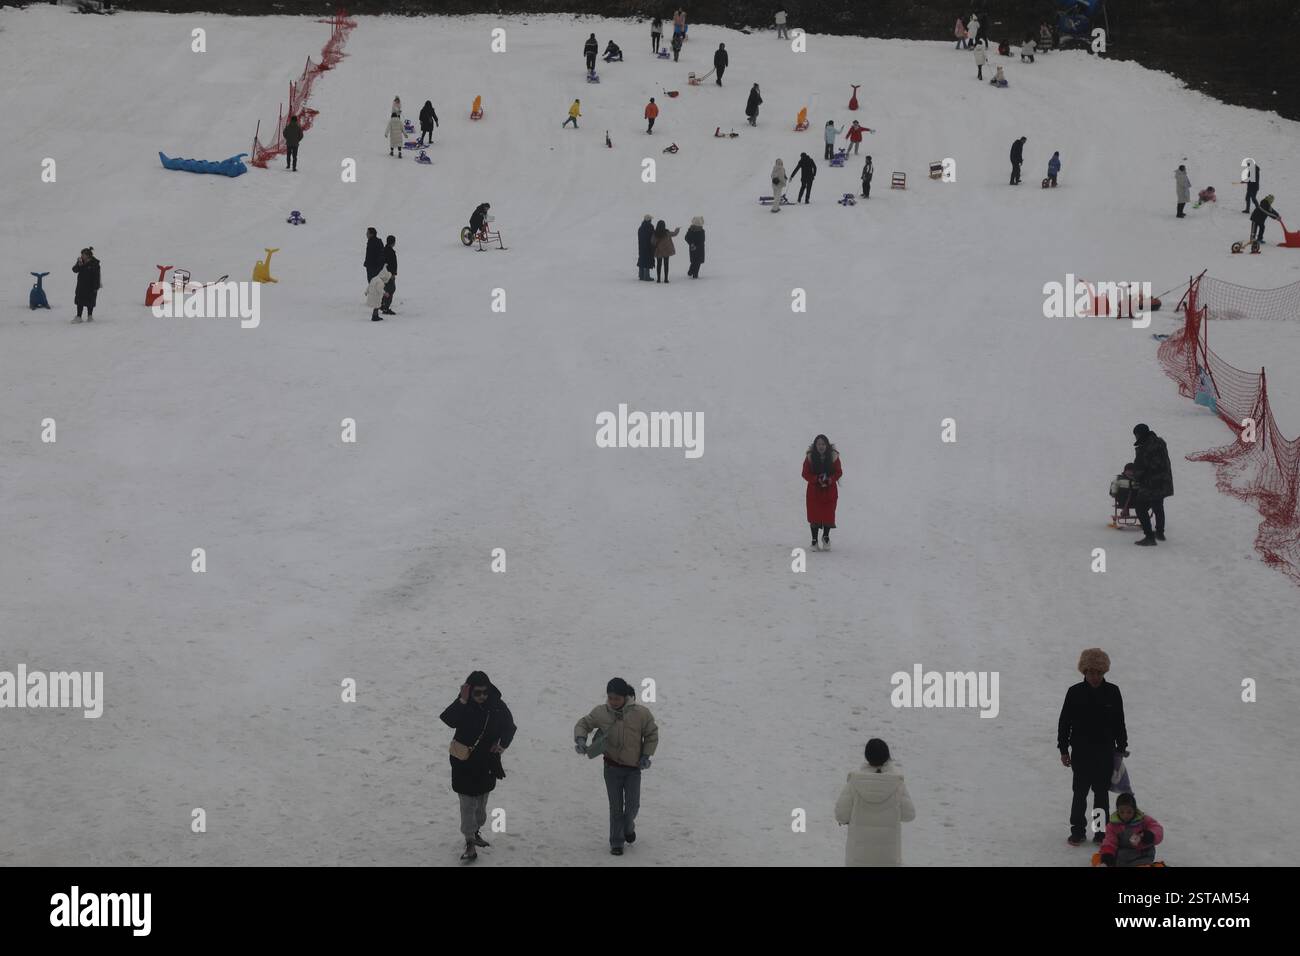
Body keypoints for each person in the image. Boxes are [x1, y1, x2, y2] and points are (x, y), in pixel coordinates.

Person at [574, 678, 659, 856]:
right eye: (610, 698)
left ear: (625, 697)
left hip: (633, 769)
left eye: (617, 698)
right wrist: (581, 739)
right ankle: (616, 842)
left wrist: (645, 755)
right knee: (616, 807)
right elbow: (584, 724)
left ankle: (629, 827)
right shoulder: (601, 712)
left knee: (632, 807)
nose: (613, 702)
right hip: (611, 768)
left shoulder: (641, 714)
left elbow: (651, 733)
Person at [440, 671, 516, 862]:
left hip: (487, 763)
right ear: (469, 691)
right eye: (477, 693)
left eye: (485, 692)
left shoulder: (497, 706)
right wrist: (463, 701)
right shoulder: (463, 705)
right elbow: (448, 719)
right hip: (463, 764)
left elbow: (510, 726)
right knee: (467, 805)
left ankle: (475, 831)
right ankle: (470, 843)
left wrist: (503, 744)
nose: (482, 696)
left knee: (481, 806)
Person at [1058, 648, 1128, 846]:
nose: (1095, 677)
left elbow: (1119, 722)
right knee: (1079, 793)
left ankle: (1100, 833)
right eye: (1091, 672)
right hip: (1080, 753)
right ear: (1084, 672)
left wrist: (1121, 746)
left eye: (1099, 672)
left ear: (1104, 672)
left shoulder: (1113, 692)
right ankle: (1078, 831)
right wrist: (1063, 749)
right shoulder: (1074, 692)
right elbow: (1064, 723)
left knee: (1101, 794)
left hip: (1104, 753)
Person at [834, 738, 916, 867]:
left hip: (858, 859)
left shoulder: (854, 782)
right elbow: (909, 815)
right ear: (887, 757)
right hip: (888, 858)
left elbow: (841, 815)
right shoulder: (897, 783)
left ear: (867, 757)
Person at [1130, 423, 1173, 545]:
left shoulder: (1144, 447)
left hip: (1151, 483)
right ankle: (1160, 532)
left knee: (1140, 508)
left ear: (1139, 434)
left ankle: (1149, 537)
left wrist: (1136, 478)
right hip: (1164, 481)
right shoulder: (1160, 443)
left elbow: (1140, 468)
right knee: (1158, 506)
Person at [1098, 793, 1164, 867]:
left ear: (1134, 810)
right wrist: (1107, 857)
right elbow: (1109, 842)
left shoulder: (1143, 820)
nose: (1125, 815)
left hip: (1143, 855)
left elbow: (1157, 829)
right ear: (1117, 811)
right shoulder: (1113, 825)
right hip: (1123, 857)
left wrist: (1148, 835)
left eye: (1129, 812)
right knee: (1099, 858)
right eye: (1122, 812)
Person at [803, 433, 841, 549]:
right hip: (814, 492)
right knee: (814, 515)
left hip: (829, 492)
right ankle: (814, 540)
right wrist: (816, 479)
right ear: (815, 445)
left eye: (823, 444)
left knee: (828, 514)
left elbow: (838, 472)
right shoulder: (810, 458)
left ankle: (825, 537)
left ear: (827, 445)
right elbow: (805, 473)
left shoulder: (834, 457)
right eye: (819, 444)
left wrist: (830, 480)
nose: (821, 446)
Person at [71, 247, 100, 323]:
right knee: (79, 300)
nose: (82, 256)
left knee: (90, 301)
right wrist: (79, 265)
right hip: (81, 285)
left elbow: (97, 275)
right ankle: (78, 316)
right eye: (82, 254)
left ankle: (90, 316)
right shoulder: (80, 261)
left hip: (91, 286)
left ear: (88, 255)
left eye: (83, 254)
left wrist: (96, 286)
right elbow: (74, 270)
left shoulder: (94, 263)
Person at [379, 235, 397, 315]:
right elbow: (393, 264)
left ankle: (382, 304)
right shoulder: (391, 252)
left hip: (383, 273)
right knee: (391, 289)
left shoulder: (383, 250)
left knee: (385, 289)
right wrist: (393, 274)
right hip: (389, 274)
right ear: (393, 242)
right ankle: (386, 307)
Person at [637, 214, 655, 281]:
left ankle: (641, 275)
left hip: (641, 246)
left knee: (641, 259)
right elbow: (653, 237)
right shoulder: (650, 227)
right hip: (648, 247)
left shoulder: (641, 227)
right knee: (648, 260)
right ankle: (646, 276)